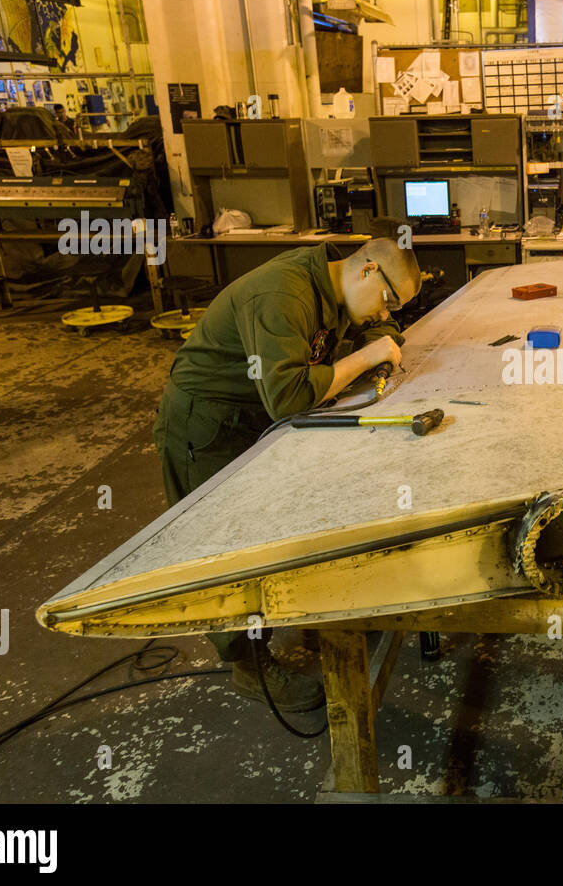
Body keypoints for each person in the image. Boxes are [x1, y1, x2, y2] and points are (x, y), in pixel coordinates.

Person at [153, 223, 420, 708]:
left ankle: (305, 615)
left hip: (251, 415)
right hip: (205, 424)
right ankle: (247, 665)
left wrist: (381, 338)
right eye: (388, 300)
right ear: (368, 269)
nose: (386, 312)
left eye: (394, 307)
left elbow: (374, 328)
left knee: (270, 526)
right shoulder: (283, 293)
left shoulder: (338, 287)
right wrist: (367, 358)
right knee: (223, 548)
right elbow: (288, 396)